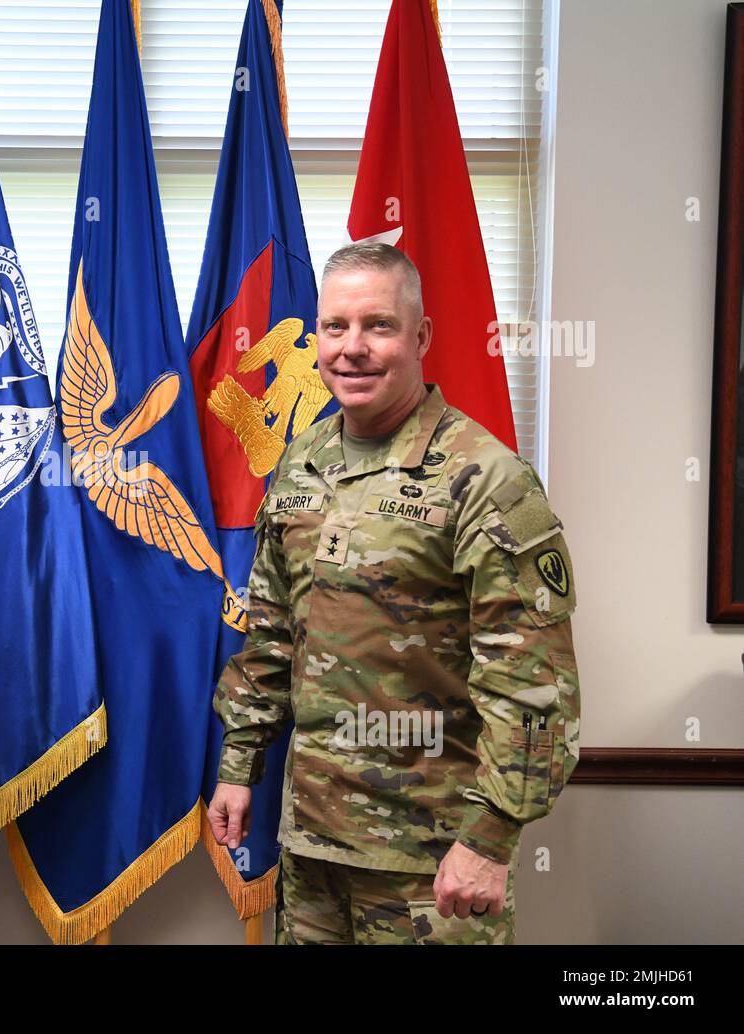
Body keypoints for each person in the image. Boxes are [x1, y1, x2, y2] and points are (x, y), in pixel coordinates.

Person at [207, 242, 580, 945]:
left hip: (433, 861)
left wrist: (490, 837)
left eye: (378, 325)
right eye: (335, 327)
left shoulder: (487, 481)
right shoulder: (301, 462)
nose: (352, 349)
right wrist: (239, 763)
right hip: (313, 848)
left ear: (421, 337)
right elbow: (272, 634)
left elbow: (534, 685)